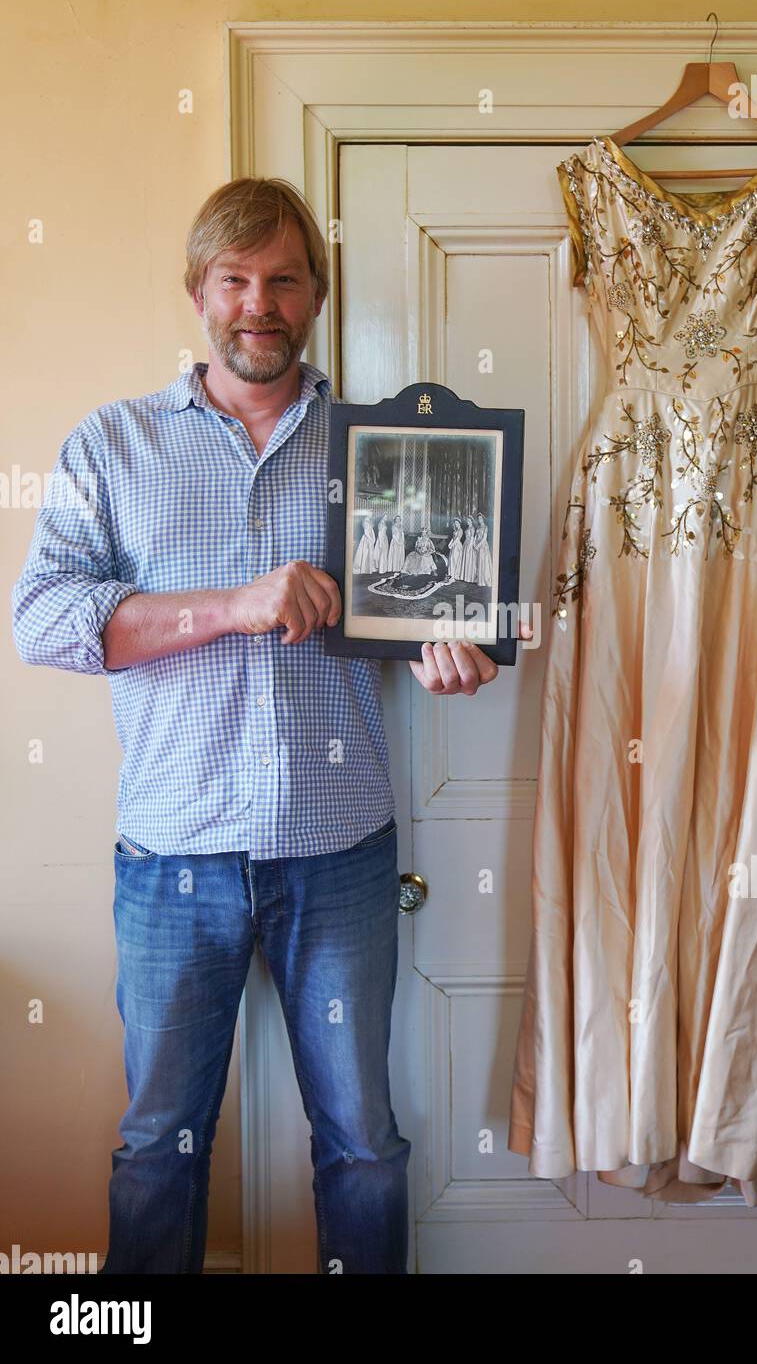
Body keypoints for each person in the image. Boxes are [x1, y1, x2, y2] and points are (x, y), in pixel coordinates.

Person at [10, 175, 518, 1276]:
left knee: (363, 1148)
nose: (259, 301)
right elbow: (42, 622)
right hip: (171, 854)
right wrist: (234, 603)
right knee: (155, 1149)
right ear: (197, 290)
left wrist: (448, 654)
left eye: (284, 279)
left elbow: (435, 612)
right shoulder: (112, 446)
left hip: (337, 854)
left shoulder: (385, 453)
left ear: (316, 297)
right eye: (235, 278)